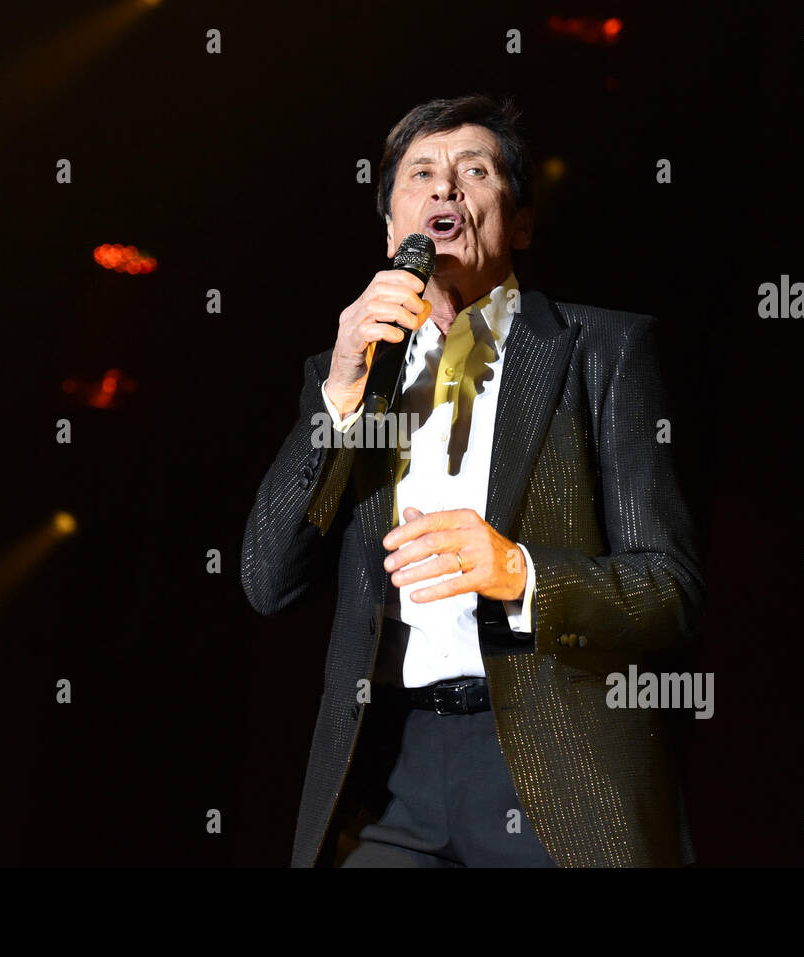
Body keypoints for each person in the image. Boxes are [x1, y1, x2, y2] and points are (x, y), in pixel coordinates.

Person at [241, 94, 705, 867]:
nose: (445, 187)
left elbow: (672, 588)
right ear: (392, 230)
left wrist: (516, 571)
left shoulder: (603, 350)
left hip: (550, 766)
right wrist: (344, 389)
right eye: (421, 173)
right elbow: (267, 577)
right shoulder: (349, 376)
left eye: (475, 171)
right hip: (386, 773)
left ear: (519, 223)